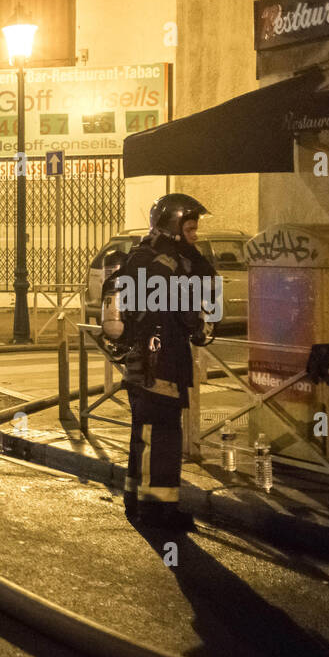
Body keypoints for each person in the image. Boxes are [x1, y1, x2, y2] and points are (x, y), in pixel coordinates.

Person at [103, 193, 216, 531]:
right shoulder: (155, 262)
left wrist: (189, 250)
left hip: (160, 356)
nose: (195, 234)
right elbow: (185, 307)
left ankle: (141, 502)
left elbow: (209, 281)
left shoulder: (164, 257)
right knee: (160, 434)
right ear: (173, 226)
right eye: (191, 228)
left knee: (152, 432)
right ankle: (156, 510)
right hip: (156, 358)